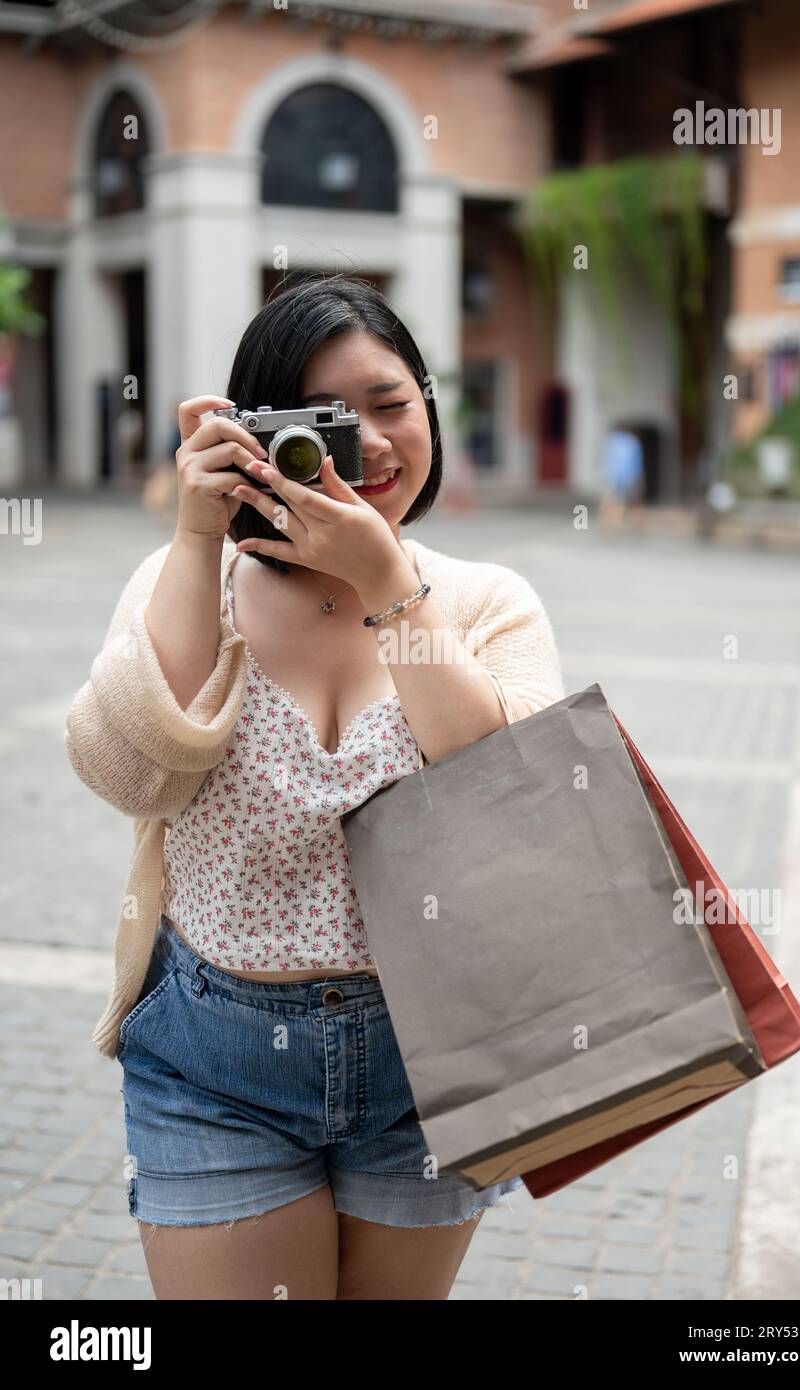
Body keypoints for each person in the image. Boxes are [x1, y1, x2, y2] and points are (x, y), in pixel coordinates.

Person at [64, 272, 564, 1300]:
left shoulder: (486, 602)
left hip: (434, 1061)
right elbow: (129, 771)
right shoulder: (190, 581)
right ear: (255, 430)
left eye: (392, 403)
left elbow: (508, 798)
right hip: (215, 1066)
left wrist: (388, 584)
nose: (370, 445)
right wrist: (200, 537)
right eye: (325, 419)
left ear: (430, 402)